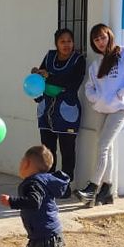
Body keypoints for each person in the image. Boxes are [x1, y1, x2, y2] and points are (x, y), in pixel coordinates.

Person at [76, 23, 124, 207]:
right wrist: (95, 98)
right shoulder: (96, 64)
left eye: (102, 37)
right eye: (96, 39)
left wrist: (120, 93)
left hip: (120, 108)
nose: (100, 42)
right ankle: (107, 191)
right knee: (107, 148)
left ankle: (92, 186)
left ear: (110, 35)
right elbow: (88, 87)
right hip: (102, 109)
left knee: (103, 145)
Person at [32, 28, 86, 197]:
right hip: (46, 110)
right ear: (56, 43)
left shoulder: (79, 60)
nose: (66, 45)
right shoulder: (49, 57)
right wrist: (36, 77)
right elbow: (40, 79)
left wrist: (49, 76)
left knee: (67, 150)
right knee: (47, 150)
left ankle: (64, 186)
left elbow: (73, 83)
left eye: (69, 41)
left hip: (67, 111)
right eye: (62, 41)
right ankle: (47, 184)